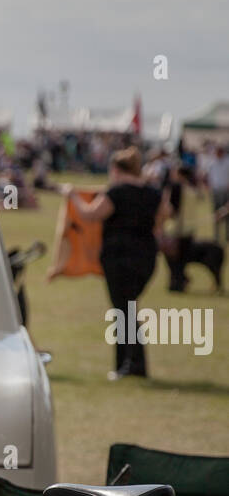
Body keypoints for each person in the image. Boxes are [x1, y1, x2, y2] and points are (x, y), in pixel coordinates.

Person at [64, 146, 167, 380]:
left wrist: (73, 196)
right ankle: (124, 363)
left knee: (124, 311)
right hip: (146, 257)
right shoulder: (153, 193)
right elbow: (164, 215)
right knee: (127, 309)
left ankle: (134, 365)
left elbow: (90, 214)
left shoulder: (116, 192)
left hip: (120, 257)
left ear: (115, 169)